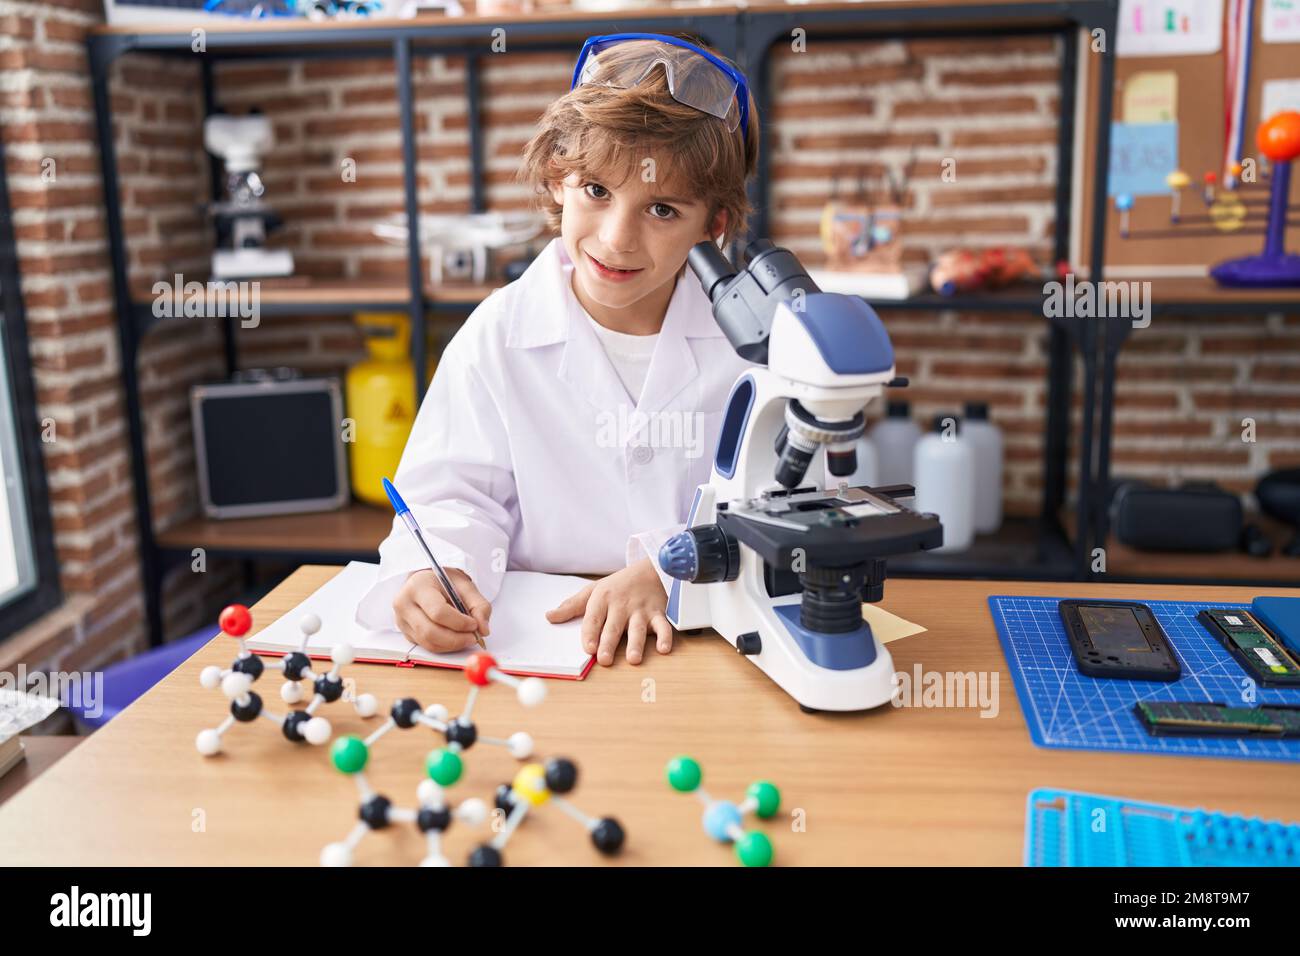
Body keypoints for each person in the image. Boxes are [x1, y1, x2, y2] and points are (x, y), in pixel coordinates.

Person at [356, 34, 760, 667]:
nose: (616, 238)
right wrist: (436, 575)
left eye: (660, 208)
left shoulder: (749, 348)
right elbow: (454, 498)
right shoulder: (497, 334)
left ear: (712, 227)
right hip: (540, 643)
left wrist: (670, 569)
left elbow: (778, 509)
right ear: (557, 179)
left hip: (704, 646)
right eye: (596, 191)